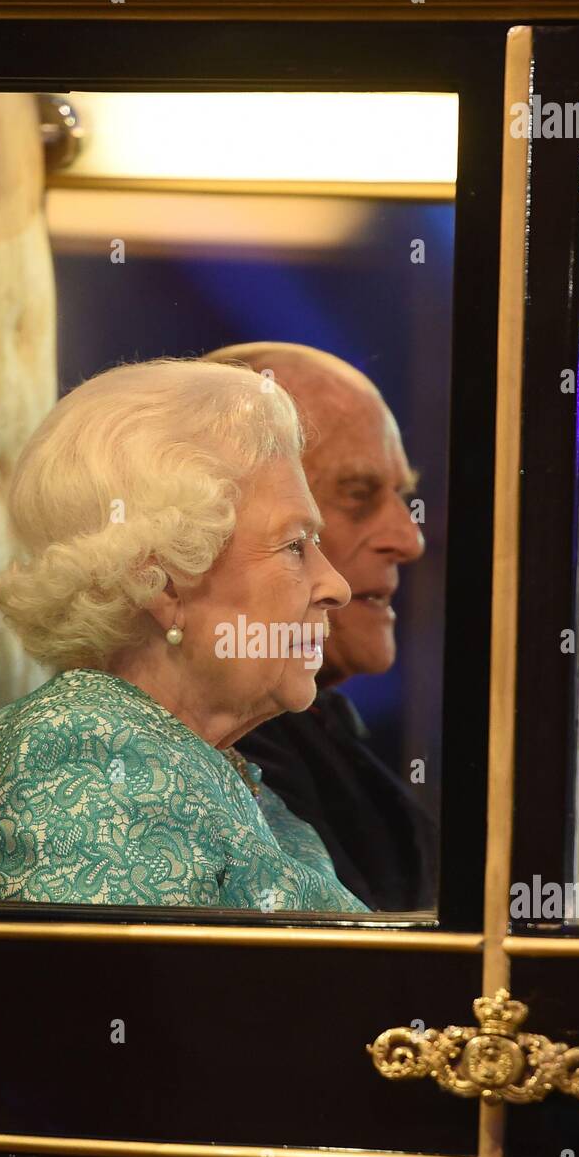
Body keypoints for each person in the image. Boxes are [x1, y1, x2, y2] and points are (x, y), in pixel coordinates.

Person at [0, 358, 369, 914]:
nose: (337, 585)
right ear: (163, 585)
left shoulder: (207, 762)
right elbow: (123, 996)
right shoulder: (81, 757)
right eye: (294, 544)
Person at [205, 342, 437, 912]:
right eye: (358, 495)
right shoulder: (161, 760)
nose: (409, 540)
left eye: (402, 496)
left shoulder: (317, 726)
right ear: (208, 525)